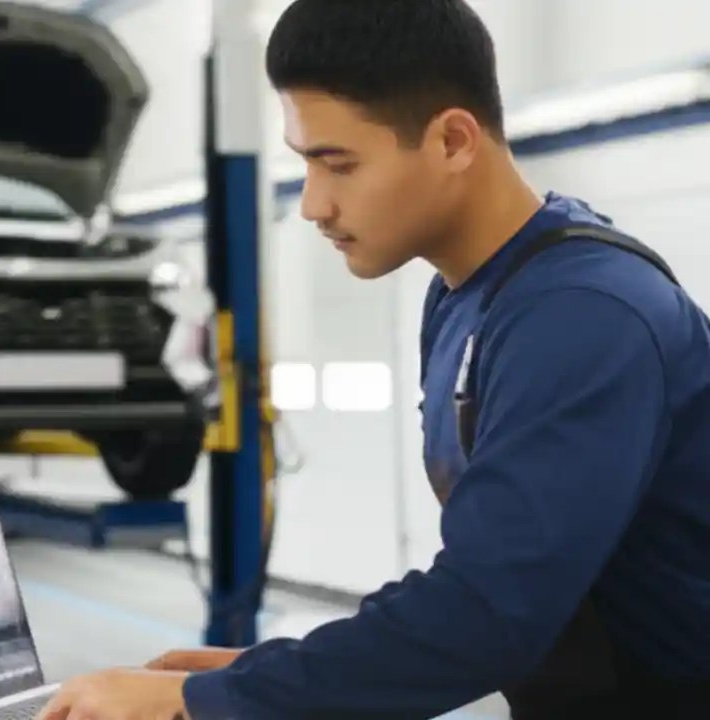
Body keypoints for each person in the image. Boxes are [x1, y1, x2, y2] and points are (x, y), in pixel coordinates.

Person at [35, 0, 710, 718]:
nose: (313, 205)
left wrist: (216, 700)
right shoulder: (464, 301)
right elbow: (486, 574)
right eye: (306, 165)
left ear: (453, 140)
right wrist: (268, 671)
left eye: (340, 165)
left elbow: (488, 613)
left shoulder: (584, 314)